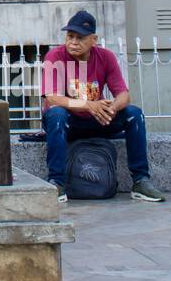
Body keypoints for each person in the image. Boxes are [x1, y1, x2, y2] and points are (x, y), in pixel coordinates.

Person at [42, 10, 165, 204]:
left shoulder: (105, 57)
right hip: (68, 122)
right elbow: (53, 98)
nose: (73, 42)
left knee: (134, 114)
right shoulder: (54, 56)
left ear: (93, 40)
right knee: (56, 113)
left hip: (99, 119)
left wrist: (112, 108)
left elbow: (124, 94)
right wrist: (89, 105)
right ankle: (57, 183)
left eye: (79, 37)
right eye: (70, 36)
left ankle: (141, 181)